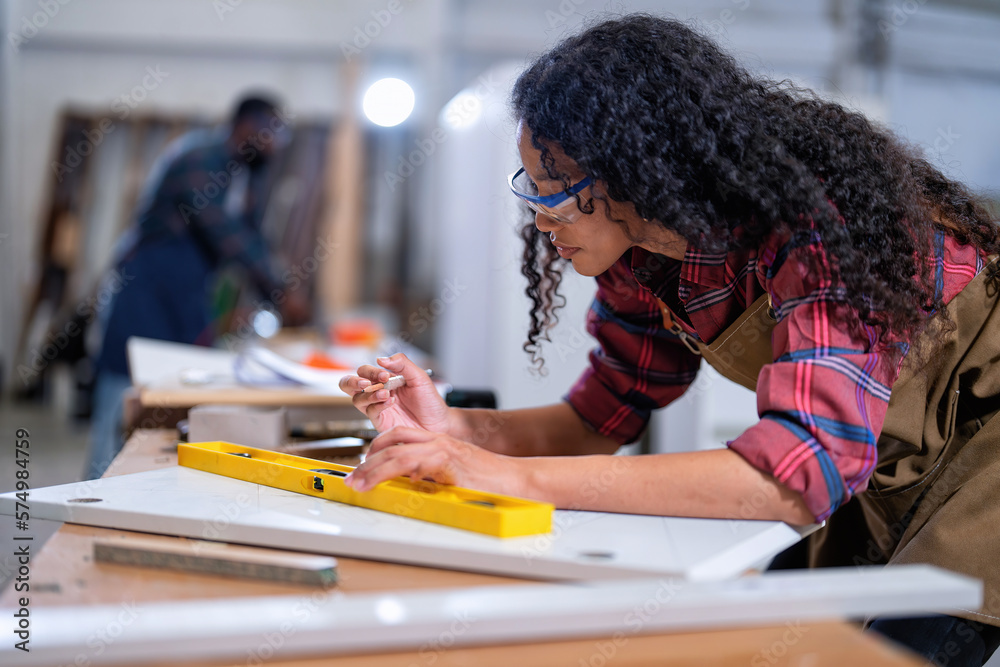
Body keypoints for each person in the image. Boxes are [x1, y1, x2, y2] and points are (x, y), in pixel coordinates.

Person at [339, 15, 1000, 666]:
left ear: (635, 169)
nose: (541, 219)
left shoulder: (821, 227)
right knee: (767, 643)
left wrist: (513, 478)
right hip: (887, 463)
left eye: (559, 191)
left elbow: (799, 471)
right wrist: (456, 431)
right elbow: (598, 420)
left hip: (986, 456)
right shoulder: (643, 254)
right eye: (533, 191)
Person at [88, 95, 309, 478]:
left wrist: (280, 288)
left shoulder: (245, 176)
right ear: (247, 126)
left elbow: (254, 238)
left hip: (186, 297)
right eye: (273, 133)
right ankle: (92, 493)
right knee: (123, 396)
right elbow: (226, 233)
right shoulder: (199, 159)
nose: (278, 145)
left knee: (173, 399)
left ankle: (142, 492)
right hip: (146, 292)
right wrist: (280, 291)